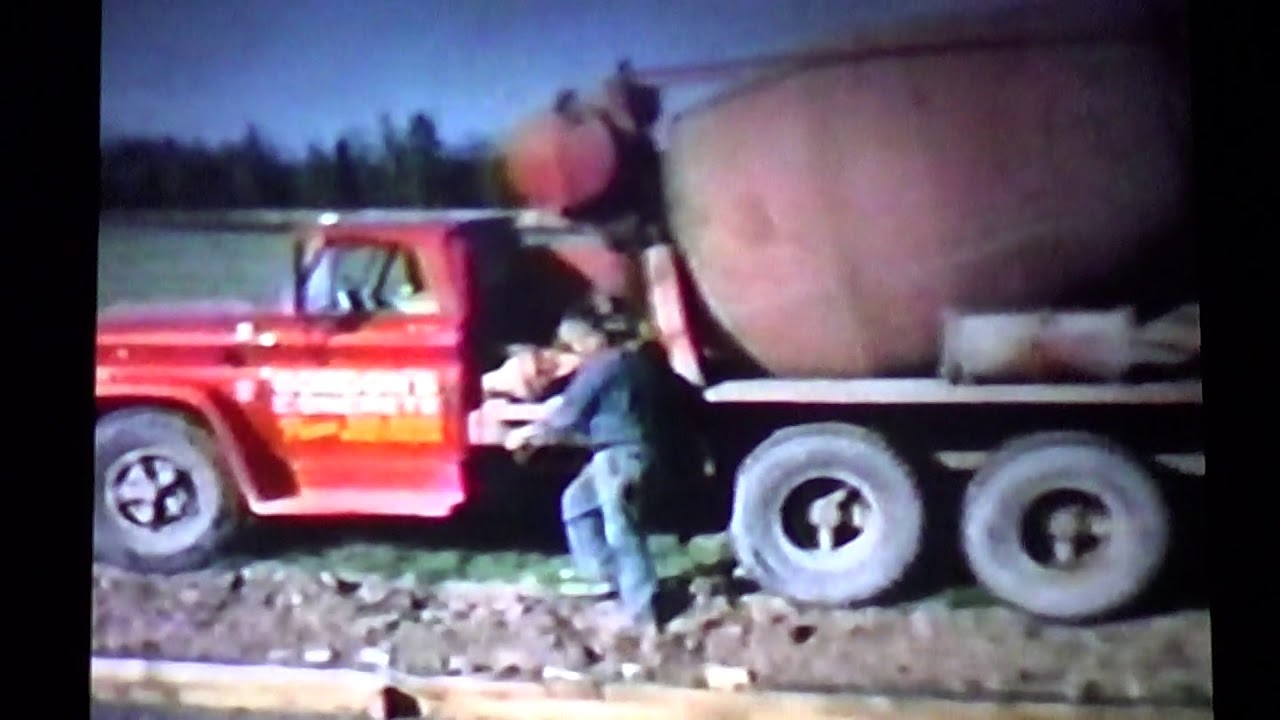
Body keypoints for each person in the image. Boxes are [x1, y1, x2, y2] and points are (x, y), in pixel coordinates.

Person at [503, 307, 687, 629]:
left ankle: (643, 609)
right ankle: (602, 577)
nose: (571, 352)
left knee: (621, 530)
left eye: (573, 345)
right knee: (577, 504)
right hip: (632, 450)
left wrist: (527, 436)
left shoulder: (600, 368)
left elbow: (568, 414)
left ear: (586, 340)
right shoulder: (634, 361)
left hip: (618, 456)